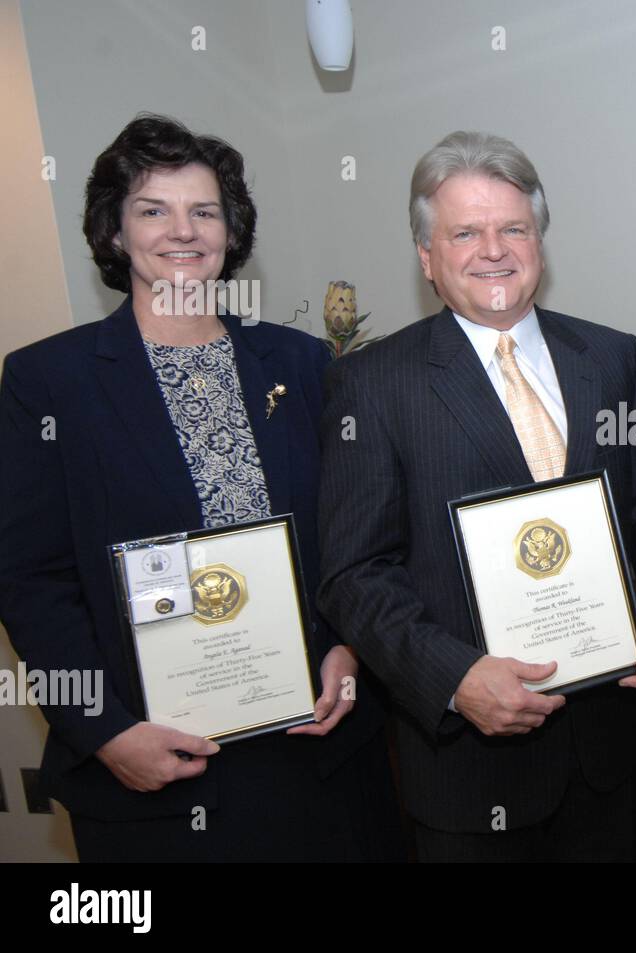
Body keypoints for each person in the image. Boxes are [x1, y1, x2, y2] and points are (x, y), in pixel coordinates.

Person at [0, 114, 403, 862]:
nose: (182, 230)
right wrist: (108, 731)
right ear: (116, 233)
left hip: (318, 754)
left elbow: (359, 533)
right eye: (153, 209)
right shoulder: (47, 381)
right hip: (156, 769)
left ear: (230, 230)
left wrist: (349, 649)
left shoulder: (304, 361)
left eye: (204, 211)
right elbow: (30, 582)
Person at [315, 131, 636, 862]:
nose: (493, 249)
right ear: (427, 257)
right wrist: (453, 677)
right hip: (468, 769)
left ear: (540, 244)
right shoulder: (372, 384)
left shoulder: (614, 357)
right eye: (465, 231)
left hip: (605, 751)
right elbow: (354, 574)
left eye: (513, 228)